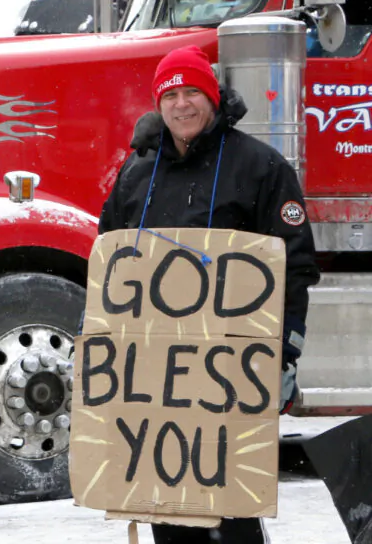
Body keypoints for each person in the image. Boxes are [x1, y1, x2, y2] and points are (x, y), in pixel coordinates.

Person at [98, 46, 319, 544]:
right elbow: (108, 263)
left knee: (230, 506)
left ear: (213, 96)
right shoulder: (135, 175)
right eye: (170, 94)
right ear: (158, 104)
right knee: (165, 501)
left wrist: (285, 353)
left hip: (231, 370)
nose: (181, 105)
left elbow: (296, 266)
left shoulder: (261, 167)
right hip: (156, 377)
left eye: (192, 91)